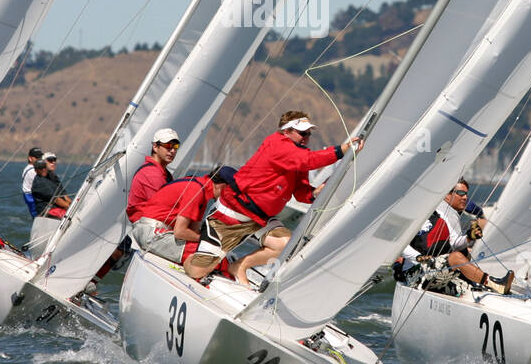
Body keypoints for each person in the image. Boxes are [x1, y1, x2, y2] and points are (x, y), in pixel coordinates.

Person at [197, 110, 362, 286]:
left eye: (308, 133)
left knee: (286, 246)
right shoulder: (277, 143)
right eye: (302, 132)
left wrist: (315, 193)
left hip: (260, 218)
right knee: (197, 271)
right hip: (235, 212)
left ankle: (238, 266)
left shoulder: (299, 154)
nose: (306, 136)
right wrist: (342, 150)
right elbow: (308, 160)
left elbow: (300, 192)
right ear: (286, 131)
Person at [395, 179, 512, 293]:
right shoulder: (419, 215)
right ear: (447, 195)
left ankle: (488, 285)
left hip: (434, 273)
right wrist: (417, 257)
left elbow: (455, 242)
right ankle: (494, 283)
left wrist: (469, 237)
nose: (465, 197)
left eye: (466, 194)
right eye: (461, 193)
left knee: (471, 286)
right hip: (414, 274)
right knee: (456, 257)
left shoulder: (444, 215)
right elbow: (400, 244)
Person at [131, 167, 232, 281]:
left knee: (213, 251)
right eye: (231, 193)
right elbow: (180, 232)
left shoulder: (200, 188)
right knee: (215, 256)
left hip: (152, 231)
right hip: (151, 233)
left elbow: (194, 231)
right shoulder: (196, 190)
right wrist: (209, 241)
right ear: (223, 187)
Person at [127, 128, 179, 219]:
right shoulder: (151, 173)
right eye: (168, 145)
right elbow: (163, 207)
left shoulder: (164, 173)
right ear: (155, 147)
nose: (172, 151)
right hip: (148, 227)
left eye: (175, 146)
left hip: (155, 224)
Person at [21, 147, 44, 217]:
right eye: (37, 157)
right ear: (30, 159)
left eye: (40, 157)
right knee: (39, 217)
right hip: (31, 197)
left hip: (33, 196)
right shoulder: (32, 170)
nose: (39, 159)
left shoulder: (33, 169)